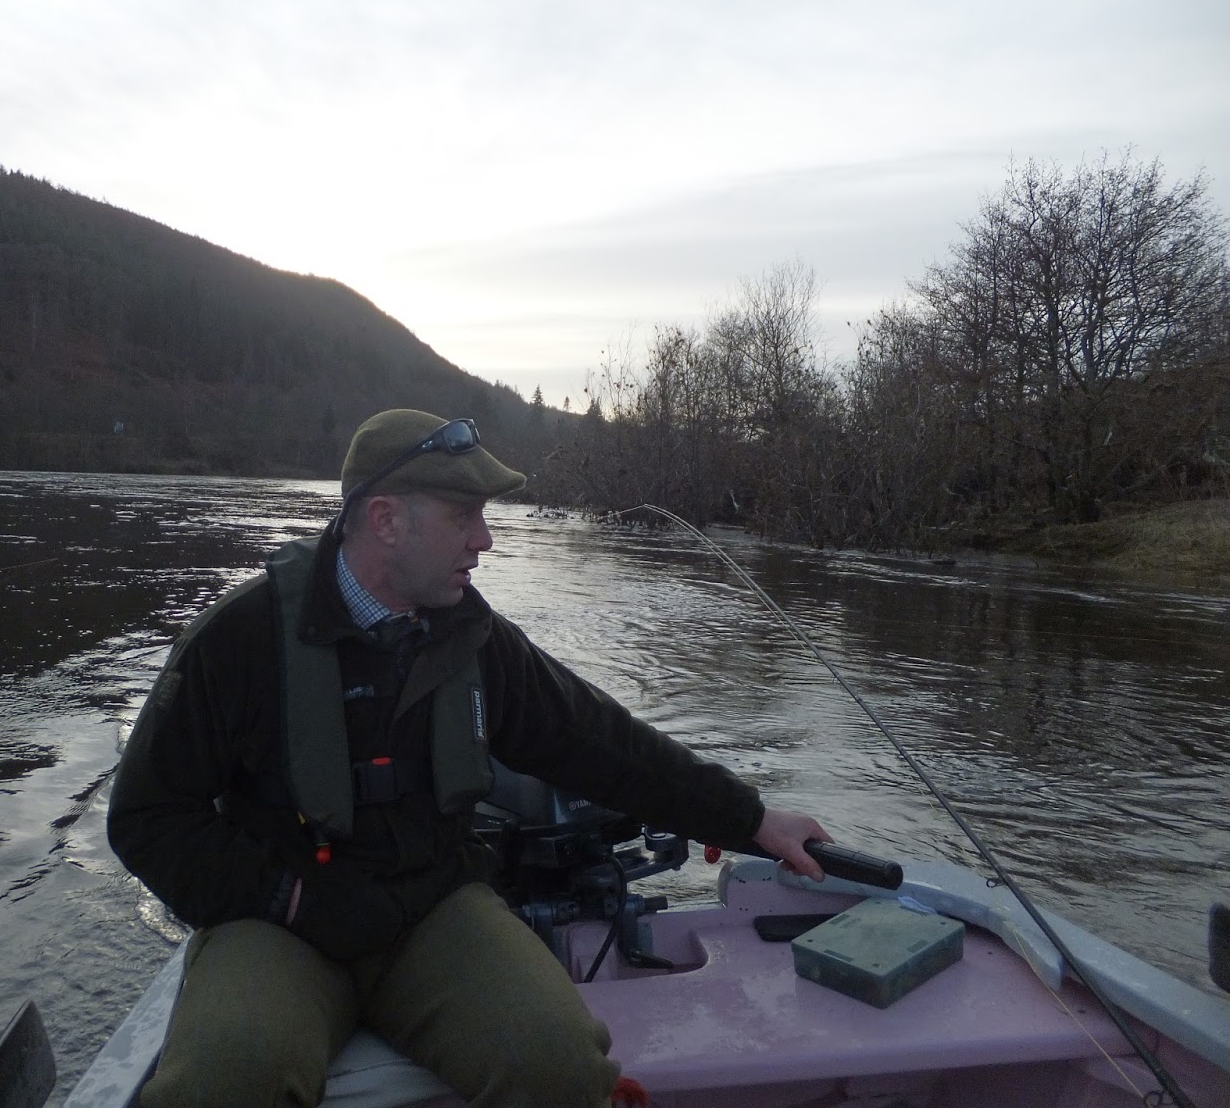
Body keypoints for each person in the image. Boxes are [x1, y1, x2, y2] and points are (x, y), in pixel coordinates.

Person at [108, 409, 831, 1108]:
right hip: (277, 925)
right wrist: (289, 898)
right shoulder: (236, 642)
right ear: (387, 521)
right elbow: (147, 819)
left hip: (432, 913)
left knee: (559, 1068)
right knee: (224, 1084)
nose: (485, 540)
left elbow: (606, 745)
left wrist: (753, 819)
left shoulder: (475, 640)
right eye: (464, 517)